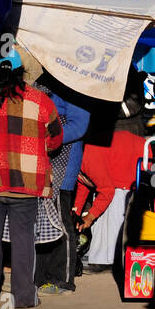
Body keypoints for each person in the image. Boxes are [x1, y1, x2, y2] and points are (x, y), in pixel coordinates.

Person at [0, 51, 63, 309]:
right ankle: (23, 297)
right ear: (21, 72)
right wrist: (40, 147)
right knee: (23, 240)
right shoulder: (40, 100)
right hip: (26, 181)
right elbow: (56, 137)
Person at [75, 84, 148, 274]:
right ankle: (106, 258)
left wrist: (89, 217)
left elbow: (105, 190)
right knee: (107, 216)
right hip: (125, 164)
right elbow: (84, 183)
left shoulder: (86, 156)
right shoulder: (83, 155)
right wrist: (76, 211)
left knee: (110, 217)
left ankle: (106, 260)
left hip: (124, 180)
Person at [33, 77, 91, 296]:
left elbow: (79, 126)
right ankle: (40, 277)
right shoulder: (42, 84)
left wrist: (47, 138)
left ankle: (62, 279)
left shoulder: (74, 88)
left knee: (60, 221)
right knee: (42, 221)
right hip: (41, 161)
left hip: (62, 164)